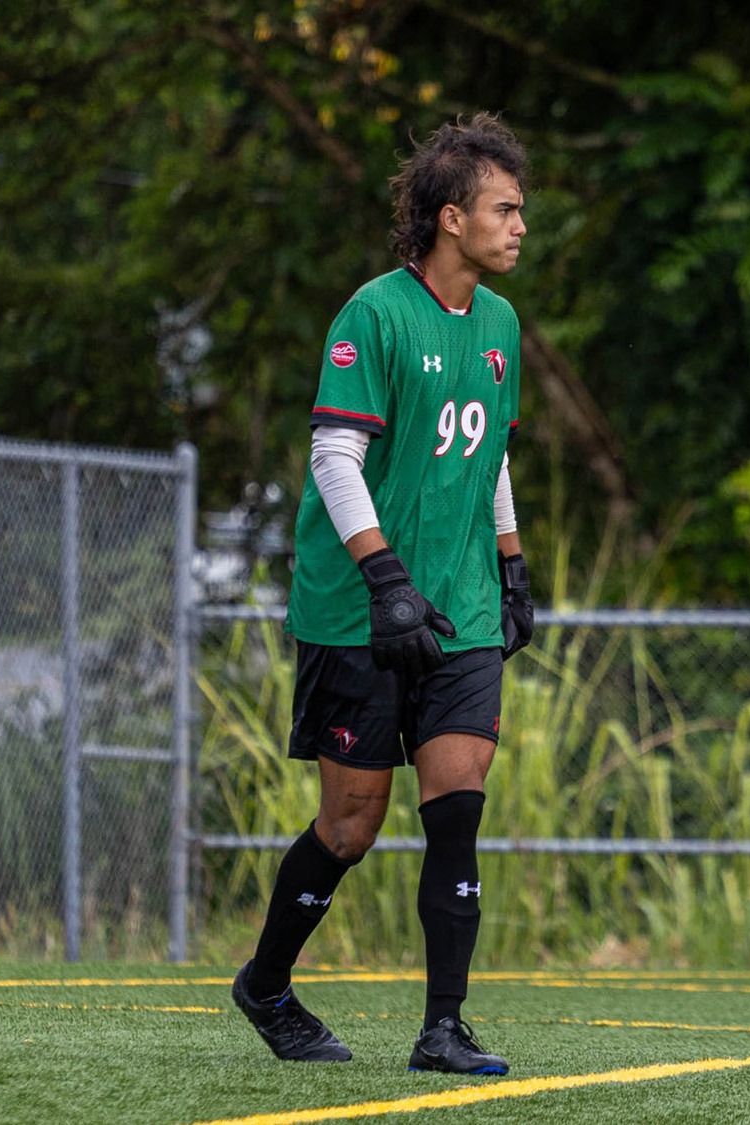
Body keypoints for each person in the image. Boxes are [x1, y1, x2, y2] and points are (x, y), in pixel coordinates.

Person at [230, 113, 536, 1076]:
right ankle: (266, 985)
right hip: (360, 606)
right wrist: (386, 578)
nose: (521, 225)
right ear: (452, 218)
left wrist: (513, 564)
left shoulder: (501, 326)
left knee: (457, 804)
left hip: (462, 608)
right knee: (352, 823)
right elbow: (334, 453)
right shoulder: (373, 314)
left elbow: (488, 453)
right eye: (505, 208)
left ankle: (443, 1028)